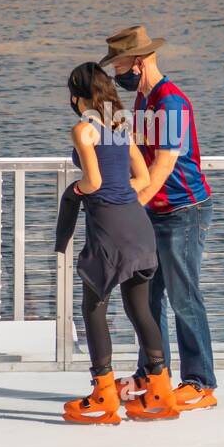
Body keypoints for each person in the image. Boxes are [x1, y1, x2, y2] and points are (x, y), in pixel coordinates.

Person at [100, 26, 218, 412]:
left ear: (138, 61)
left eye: (118, 65)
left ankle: (200, 383)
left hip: (184, 210)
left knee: (184, 297)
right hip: (154, 211)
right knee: (148, 300)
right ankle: (153, 375)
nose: (117, 73)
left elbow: (165, 164)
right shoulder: (144, 101)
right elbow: (141, 158)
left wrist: (134, 206)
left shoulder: (171, 102)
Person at [59, 63, 178, 423]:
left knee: (94, 306)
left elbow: (92, 181)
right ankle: (160, 391)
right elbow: (142, 176)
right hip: (138, 224)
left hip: (108, 230)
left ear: (77, 96)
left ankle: (104, 395)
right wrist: (125, 201)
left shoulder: (83, 130)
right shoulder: (120, 127)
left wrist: (76, 191)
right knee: (140, 309)